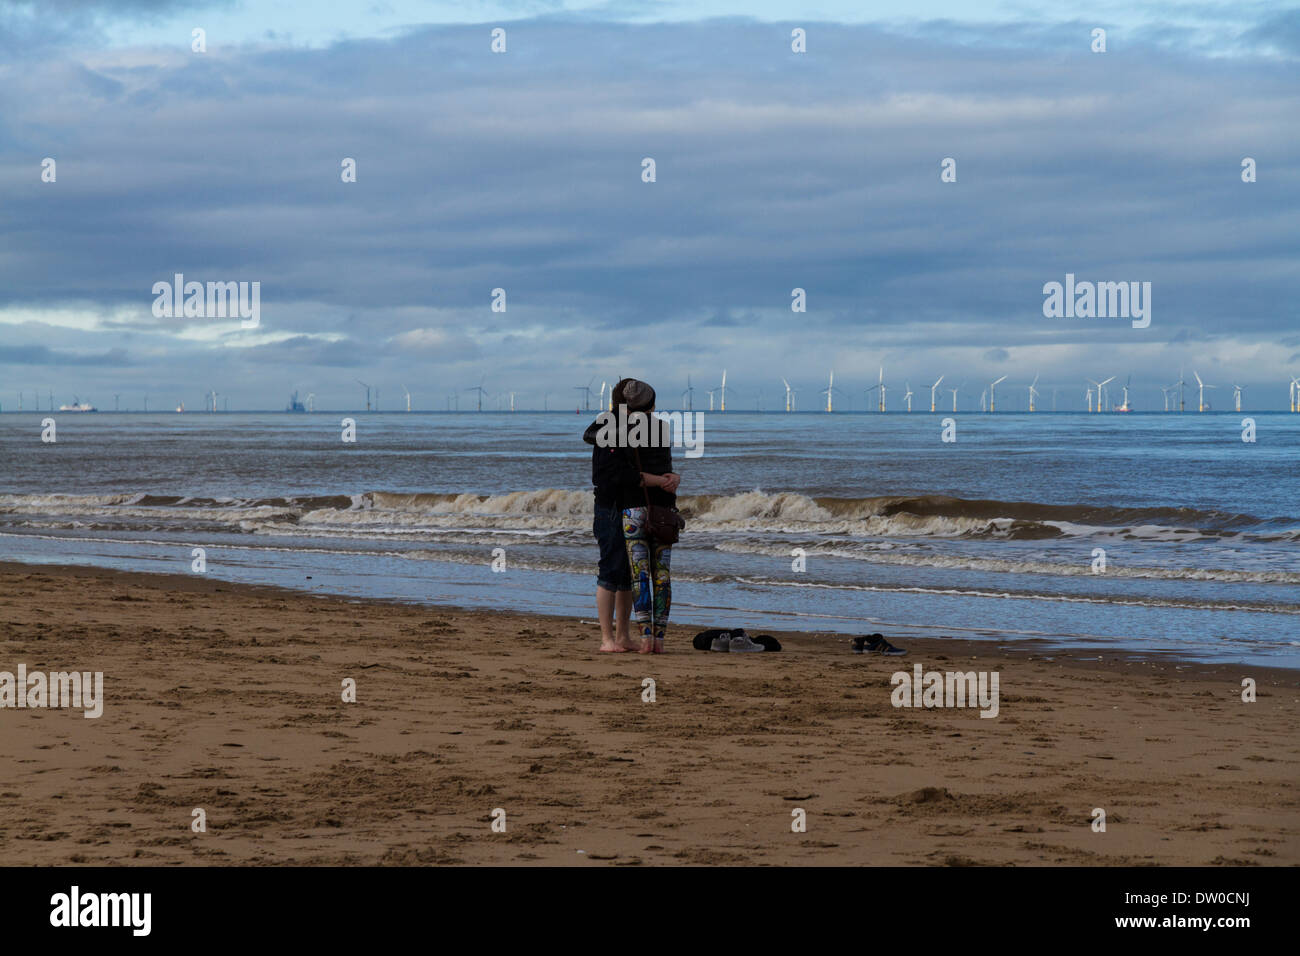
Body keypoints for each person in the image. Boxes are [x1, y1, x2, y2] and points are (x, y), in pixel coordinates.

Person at [613, 379, 679, 654]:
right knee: (661, 575)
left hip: (632, 510)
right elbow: (666, 469)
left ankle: (645, 638)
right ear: (652, 405)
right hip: (662, 510)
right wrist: (671, 479)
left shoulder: (616, 431)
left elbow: (625, 474)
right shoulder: (661, 428)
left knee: (639, 575)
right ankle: (660, 641)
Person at [583, 396, 639, 653]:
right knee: (610, 570)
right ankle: (607, 638)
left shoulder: (629, 427)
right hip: (610, 508)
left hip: (626, 507)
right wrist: (648, 479)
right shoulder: (609, 425)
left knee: (626, 573)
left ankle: (623, 636)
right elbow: (615, 473)